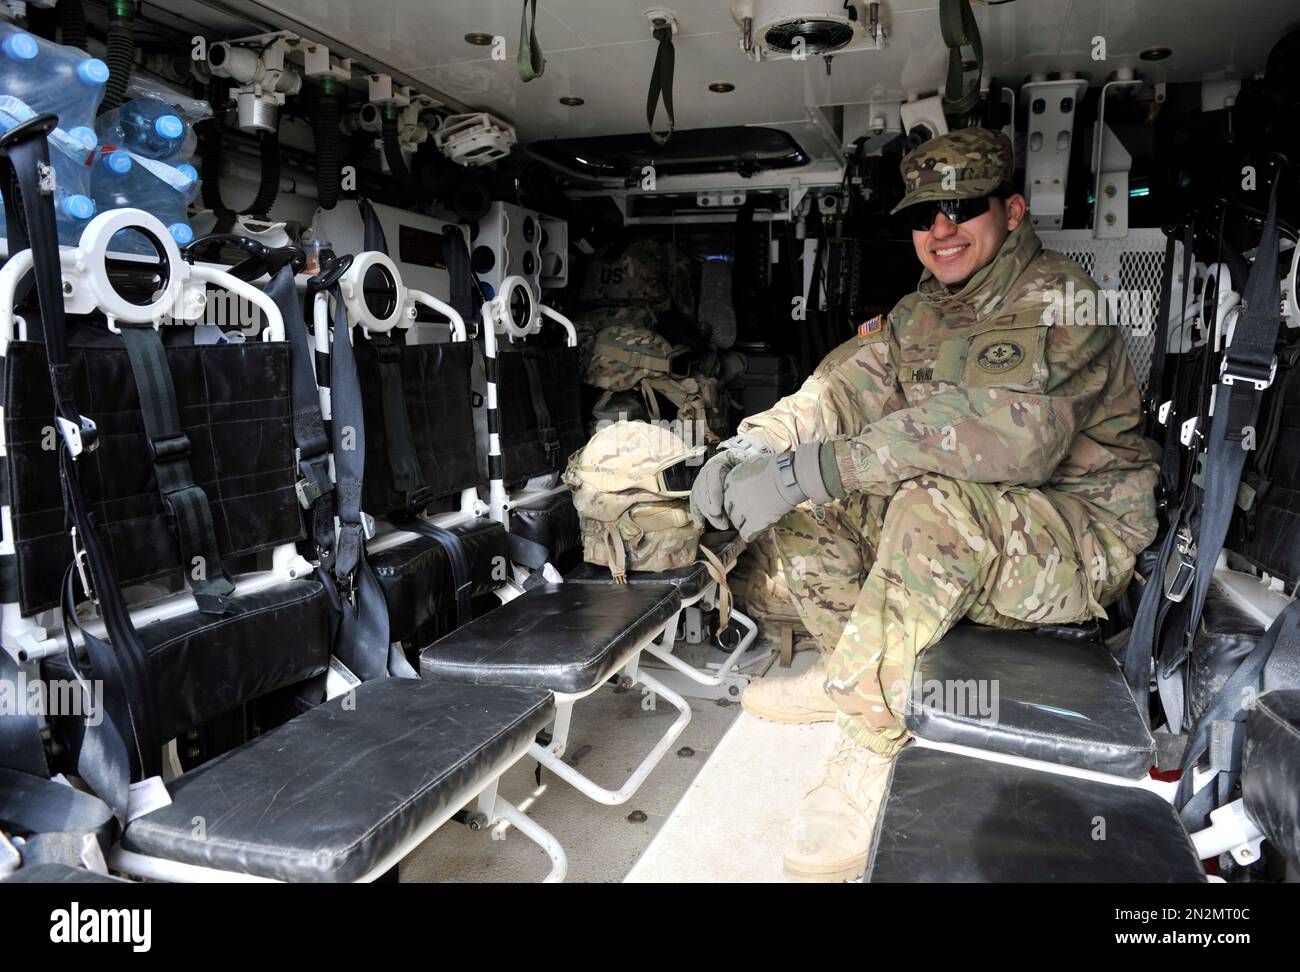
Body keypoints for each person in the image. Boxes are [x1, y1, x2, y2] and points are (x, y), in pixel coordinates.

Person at [690, 127, 1160, 882]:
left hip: (1075, 537)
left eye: (962, 206)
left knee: (924, 500)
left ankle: (872, 743)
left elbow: (1015, 438)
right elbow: (839, 388)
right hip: (980, 525)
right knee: (812, 507)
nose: (940, 230)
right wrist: (758, 444)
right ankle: (855, 669)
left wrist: (828, 465)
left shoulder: (1064, 297)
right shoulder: (920, 314)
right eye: (923, 215)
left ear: (1010, 211)